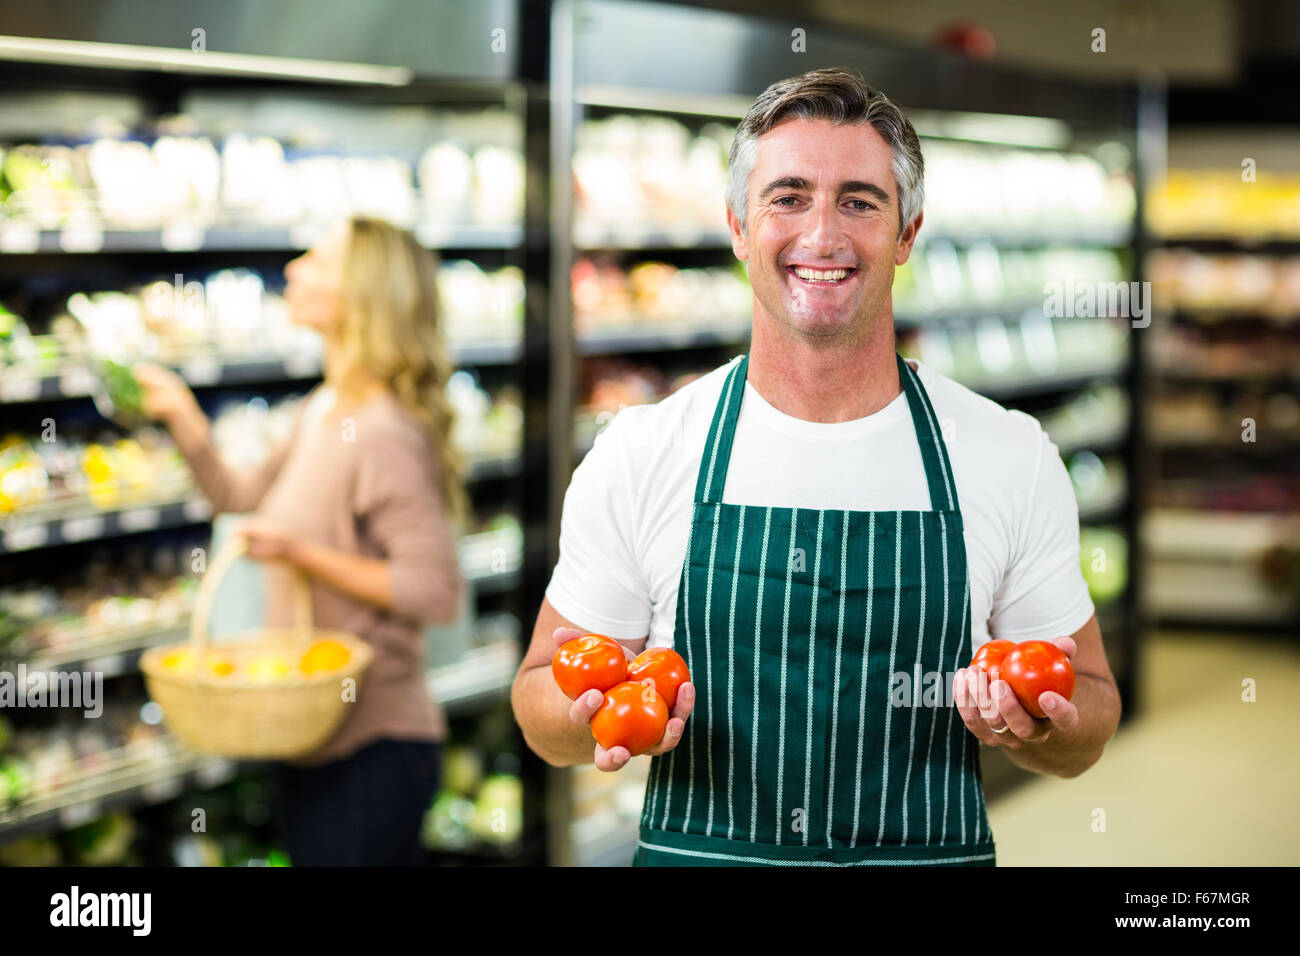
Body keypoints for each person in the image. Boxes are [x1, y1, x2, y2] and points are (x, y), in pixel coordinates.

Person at [511, 67, 1122, 867]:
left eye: (860, 201)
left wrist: (1045, 727)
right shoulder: (644, 451)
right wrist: (592, 712)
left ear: (907, 234)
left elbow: (1092, 714)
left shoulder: (1006, 453)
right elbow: (537, 697)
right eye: (788, 196)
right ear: (738, 227)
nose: (823, 235)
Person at [135, 216, 467, 866]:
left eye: (315, 261)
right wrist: (182, 416)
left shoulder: (379, 431)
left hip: (372, 748)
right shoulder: (323, 409)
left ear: (358, 299)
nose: (292, 271)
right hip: (311, 736)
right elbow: (240, 497)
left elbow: (433, 590)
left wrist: (299, 553)